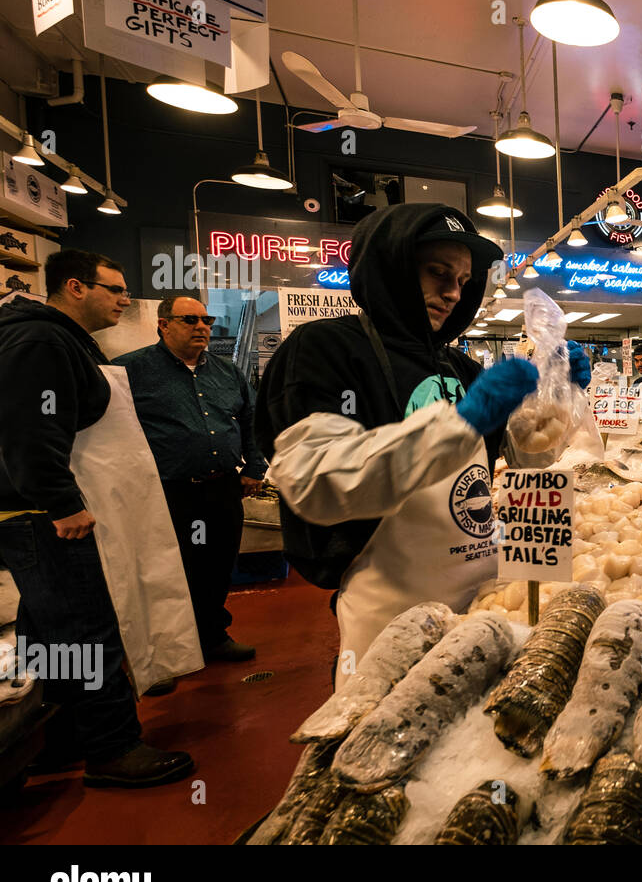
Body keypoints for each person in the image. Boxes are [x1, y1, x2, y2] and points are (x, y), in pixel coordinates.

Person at [256, 204, 590, 682]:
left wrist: (561, 397)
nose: (453, 292)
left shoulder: (460, 367)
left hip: (488, 596)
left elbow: (527, 465)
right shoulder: (323, 350)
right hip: (391, 606)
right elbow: (319, 481)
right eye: (437, 273)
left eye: (463, 279)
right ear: (391, 265)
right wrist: (460, 422)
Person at [0, 249, 195, 787]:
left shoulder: (53, 338)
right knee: (85, 627)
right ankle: (113, 749)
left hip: (35, 514)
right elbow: (28, 427)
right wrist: (61, 503)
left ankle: (65, 740)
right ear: (75, 287)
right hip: (44, 516)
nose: (125, 299)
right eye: (114, 288)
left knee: (50, 632)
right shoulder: (41, 339)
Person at [114, 294, 266, 666]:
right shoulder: (129, 370)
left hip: (221, 489)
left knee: (216, 565)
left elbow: (251, 419)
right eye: (190, 320)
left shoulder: (226, 371)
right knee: (163, 572)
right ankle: (160, 655)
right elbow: (115, 432)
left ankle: (212, 636)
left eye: (207, 321)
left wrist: (253, 467)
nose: (203, 328)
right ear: (163, 324)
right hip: (167, 492)